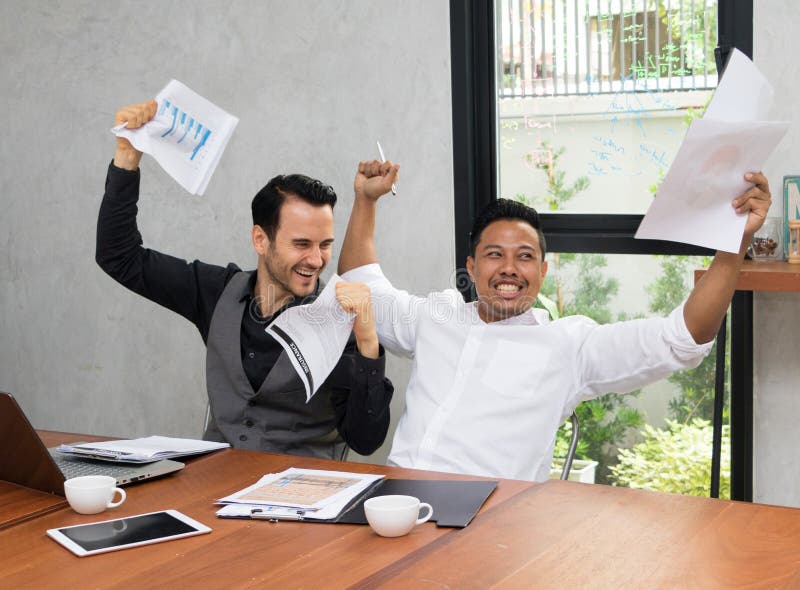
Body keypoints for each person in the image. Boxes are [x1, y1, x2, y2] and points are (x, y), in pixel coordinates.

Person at [339, 159, 772, 481]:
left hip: (491, 524)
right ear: (470, 267)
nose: (510, 268)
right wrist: (365, 199)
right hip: (395, 505)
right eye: (495, 255)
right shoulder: (435, 316)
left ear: (542, 273)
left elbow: (682, 340)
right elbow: (362, 285)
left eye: (525, 257)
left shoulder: (569, 345)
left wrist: (734, 243)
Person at [96, 100, 393, 459]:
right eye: (301, 244)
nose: (316, 260)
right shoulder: (215, 291)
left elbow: (365, 440)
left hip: (302, 496)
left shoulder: (339, 319)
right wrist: (127, 158)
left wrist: (366, 340)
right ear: (260, 239)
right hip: (214, 487)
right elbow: (119, 256)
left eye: (325, 245)